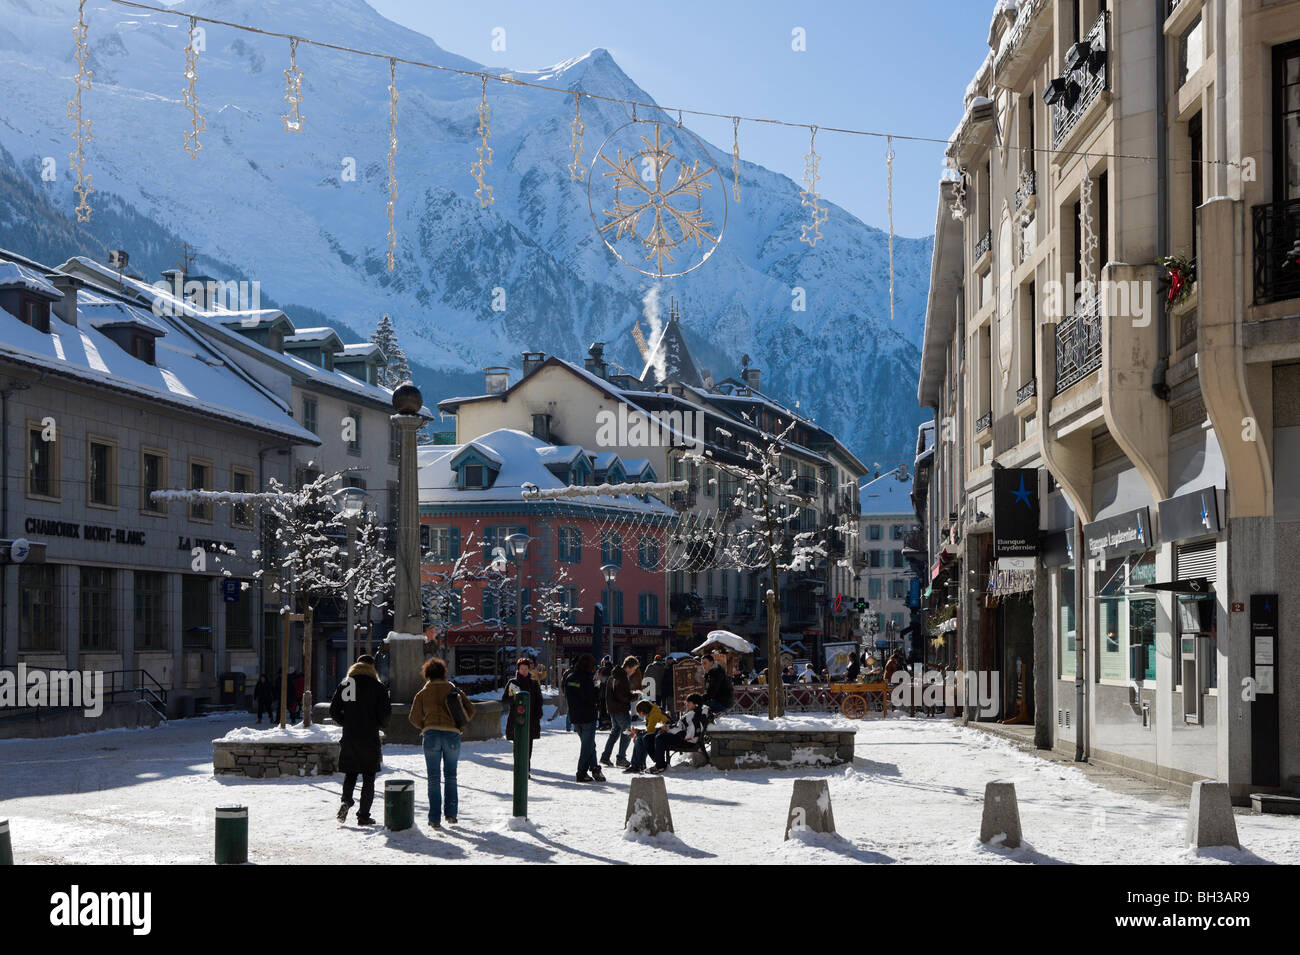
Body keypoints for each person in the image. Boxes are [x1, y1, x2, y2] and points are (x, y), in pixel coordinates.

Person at [409, 657, 476, 828]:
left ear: (427, 674)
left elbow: (413, 718)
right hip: (452, 735)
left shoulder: (422, 693)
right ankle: (451, 814)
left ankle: (434, 818)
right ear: (443, 672)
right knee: (451, 776)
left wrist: (425, 726)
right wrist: (458, 723)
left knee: (433, 778)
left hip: (431, 735)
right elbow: (471, 709)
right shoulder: (453, 689)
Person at [329, 654, 392, 826]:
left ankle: (346, 800)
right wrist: (377, 724)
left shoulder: (346, 684)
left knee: (351, 773)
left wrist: (346, 722)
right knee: (368, 777)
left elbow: (333, 711)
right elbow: (386, 715)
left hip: (350, 736)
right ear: (372, 667)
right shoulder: (378, 686)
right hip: (369, 737)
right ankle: (363, 815)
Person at [564, 653, 604, 782]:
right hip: (588, 716)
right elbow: (591, 698)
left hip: (575, 716)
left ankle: (595, 768)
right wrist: (597, 690)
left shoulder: (570, 678)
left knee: (589, 744)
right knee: (587, 746)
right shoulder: (588, 679)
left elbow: (567, 695)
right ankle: (581, 773)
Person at [648, 693, 706, 774]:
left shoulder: (694, 715)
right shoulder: (692, 713)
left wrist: (669, 729)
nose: (686, 706)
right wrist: (669, 728)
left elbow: (688, 735)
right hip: (683, 737)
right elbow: (682, 727)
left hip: (688, 741)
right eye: (686, 703)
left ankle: (660, 765)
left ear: (695, 704)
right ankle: (658, 761)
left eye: (688, 704)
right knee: (649, 737)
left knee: (659, 738)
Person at [501, 657, 543, 760]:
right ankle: (518, 769)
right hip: (517, 719)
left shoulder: (533, 683)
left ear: (529, 669)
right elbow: (505, 699)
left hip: (531, 719)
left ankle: (526, 769)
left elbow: (539, 700)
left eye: (526, 669)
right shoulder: (513, 683)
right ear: (518, 670)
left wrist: (538, 715)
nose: (524, 671)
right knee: (518, 746)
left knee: (528, 746)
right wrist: (513, 698)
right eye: (521, 669)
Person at [601, 655, 639, 767]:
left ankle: (605, 757)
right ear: (629, 667)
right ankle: (621, 758)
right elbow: (622, 696)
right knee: (627, 733)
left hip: (613, 709)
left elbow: (617, 693)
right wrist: (635, 696)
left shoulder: (613, 675)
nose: (634, 671)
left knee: (615, 733)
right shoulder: (622, 677)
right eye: (634, 668)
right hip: (621, 710)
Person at [624, 698, 669, 774]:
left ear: (642, 711)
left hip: (664, 735)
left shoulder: (654, 715)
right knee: (640, 737)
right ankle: (638, 764)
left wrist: (638, 732)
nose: (639, 714)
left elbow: (650, 731)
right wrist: (638, 732)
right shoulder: (652, 712)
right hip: (660, 733)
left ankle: (638, 765)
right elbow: (651, 730)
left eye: (639, 712)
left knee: (640, 738)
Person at [596, 656, 613, 730]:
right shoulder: (614, 670)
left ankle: (602, 723)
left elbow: (597, 682)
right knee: (610, 708)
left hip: (602, 693)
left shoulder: (601, 670)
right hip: (612, 693)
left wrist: (597, 690)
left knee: (602, 708)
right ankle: (610, 723)